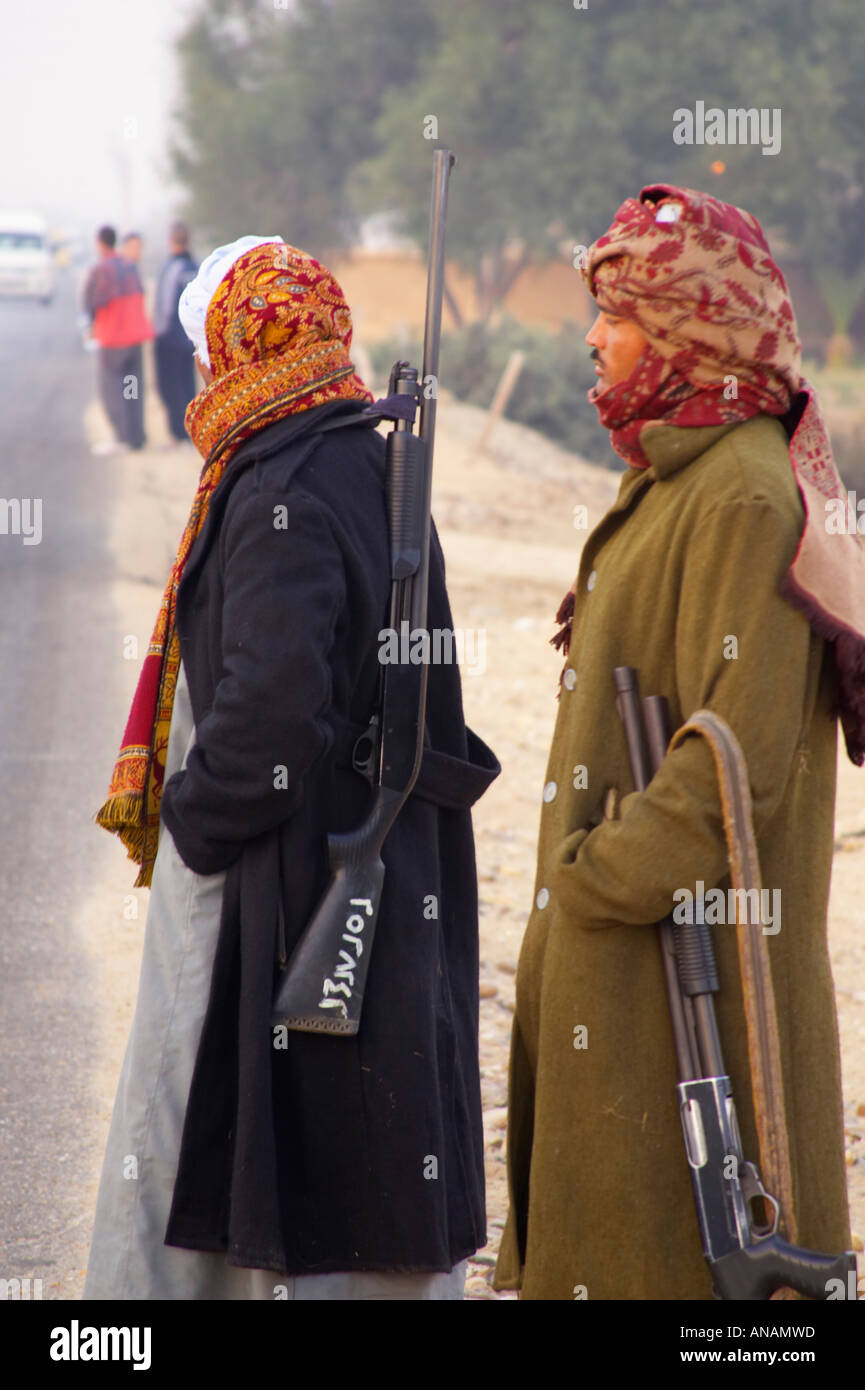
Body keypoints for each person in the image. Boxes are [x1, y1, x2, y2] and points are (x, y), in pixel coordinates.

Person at [85, 235, 500, 1300]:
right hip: (368, 863)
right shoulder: (363, 455)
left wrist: (194, 816)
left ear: (233, 349)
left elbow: (271, 721)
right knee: (348, 1161)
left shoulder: (284, 482)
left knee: (218, 1143)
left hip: (276, 877)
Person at [494, 183, 865, 1301]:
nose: (593, 339)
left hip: (680, 978)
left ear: (687, 330)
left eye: (617, 314)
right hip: (628, 969)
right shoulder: (675, 476)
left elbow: (726, 777)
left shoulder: (743, 496)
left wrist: (589, 884)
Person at [82, 225, 153, 454]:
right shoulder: (130, 267)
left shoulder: (101, 269)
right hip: (134, 339)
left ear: (100, 243)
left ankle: (122, 438)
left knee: (112, 389)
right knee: (131, 388)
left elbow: (90, 303)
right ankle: (136, 437)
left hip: (113, 340)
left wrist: (90, 327)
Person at [153, 222, 198, 443]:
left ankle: (178, 434)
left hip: (170, 337)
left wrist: (158, 332)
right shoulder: (196, 267)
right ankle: (191, 432)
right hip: (190, 338)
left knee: (168, 385)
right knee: (187, 384)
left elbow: (166, 305)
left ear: (171, 240)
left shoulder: (171, 268)